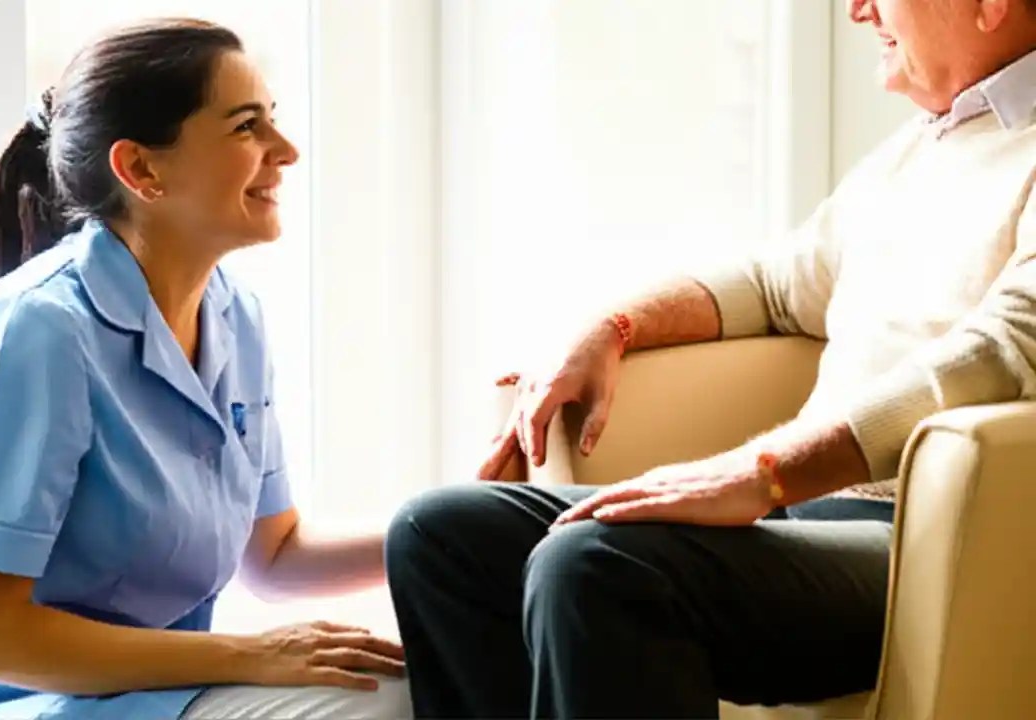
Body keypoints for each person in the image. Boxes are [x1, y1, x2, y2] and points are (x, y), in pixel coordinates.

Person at [385, 0, 1036, 717]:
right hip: (805, 521)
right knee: (439, 537)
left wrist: (761, 472)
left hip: (924, 545)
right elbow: (774, 286)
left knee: (597, 567)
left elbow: (1008, 348)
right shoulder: (925, 146)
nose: (858, 9)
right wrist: (613, 324)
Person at [0, 18, 409, 720]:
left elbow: (274, 554)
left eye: (274, 120)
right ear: (141, 169)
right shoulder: (36, 331)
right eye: (246, 128)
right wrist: (252, 656)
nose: (287, 151)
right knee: (372, 709)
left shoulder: (235, 317)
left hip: (132, 697)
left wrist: (463, 527)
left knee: (410, 685)